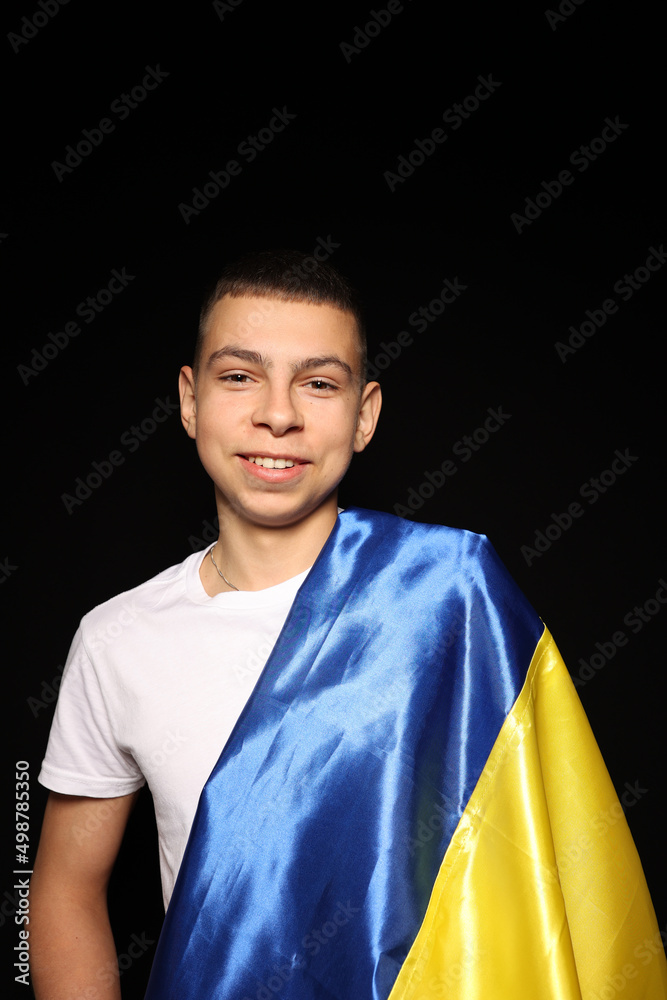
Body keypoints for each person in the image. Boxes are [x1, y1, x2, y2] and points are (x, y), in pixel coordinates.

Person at [30, 250, 666, 1000]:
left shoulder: (449, 597)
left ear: (363, 416)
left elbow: (547, 852)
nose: (277, 413)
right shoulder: (116, 638)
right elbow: (63, 888)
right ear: (189, 398)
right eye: (239, 376)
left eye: (318, 383)